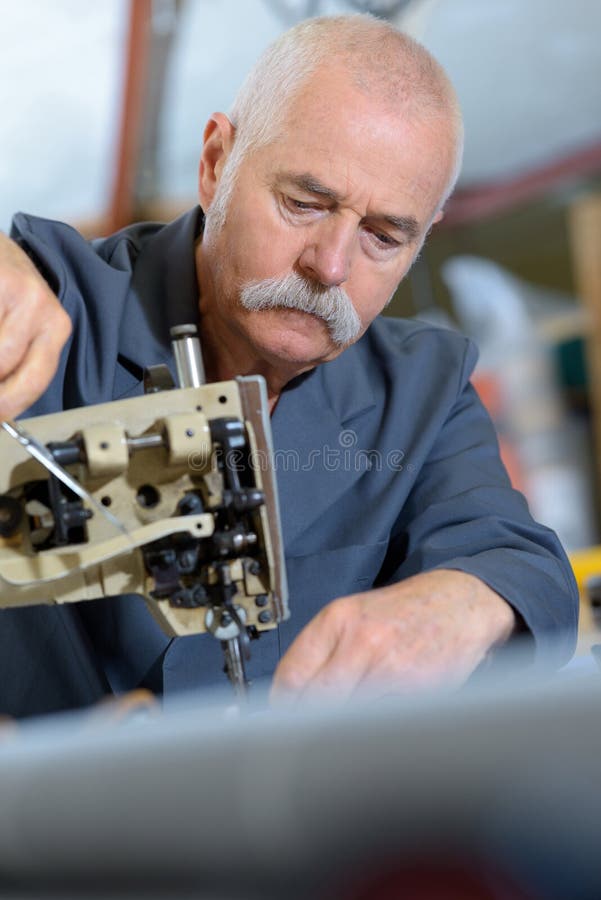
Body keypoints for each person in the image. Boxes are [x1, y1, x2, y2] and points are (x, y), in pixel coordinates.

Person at [0, 14, 578, 717]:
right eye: (303, 204)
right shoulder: (53, 305)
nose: (330, 266)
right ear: (216, 163)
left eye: (383, 236)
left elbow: (523, 564)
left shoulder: (423, 393)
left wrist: (465, 603)